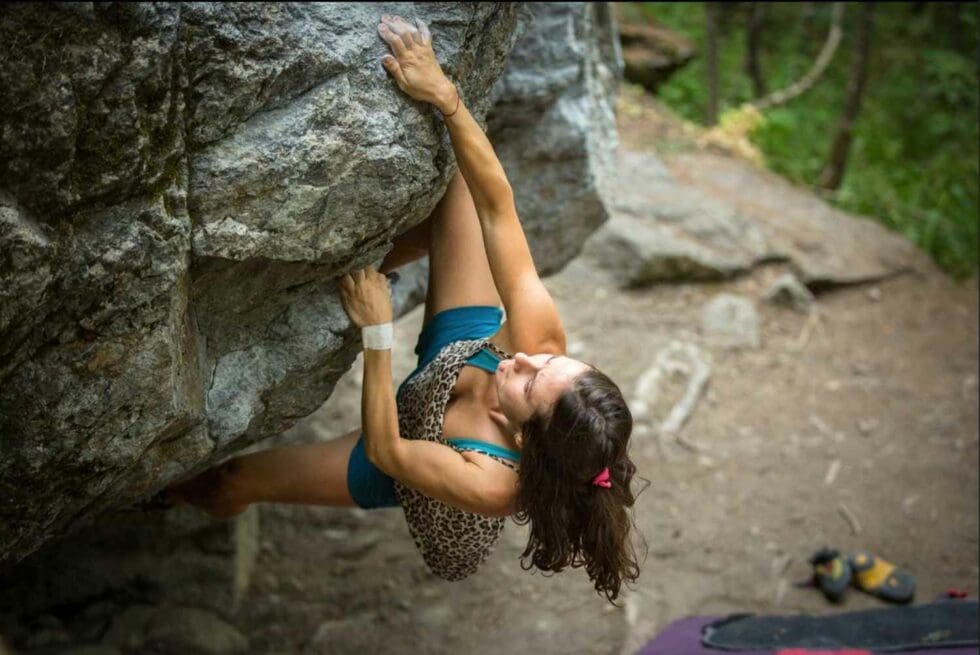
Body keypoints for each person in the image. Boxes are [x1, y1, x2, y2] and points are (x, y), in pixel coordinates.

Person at [164, 13, 642, 603]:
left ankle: (173, 495)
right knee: (458, 190)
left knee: (236, 481)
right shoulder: (538, 346)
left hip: (406, 456)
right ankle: (366, 260)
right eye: (550, 365)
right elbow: (498, 207)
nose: (520, 360)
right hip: (456, 350)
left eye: (528, 384)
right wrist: (445, 96)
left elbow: (389, 448)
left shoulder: (493, 484)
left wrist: (377, 330)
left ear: (531, 438)